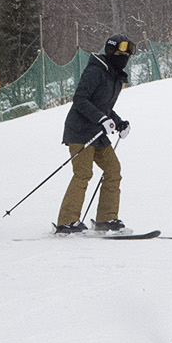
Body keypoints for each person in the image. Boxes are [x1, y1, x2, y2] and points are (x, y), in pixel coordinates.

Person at [54, 34, 135, 235]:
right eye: (120, 53)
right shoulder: (96, 71)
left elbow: (104, 106)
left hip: (97, 133)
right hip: (80, 131)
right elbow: (80, 99)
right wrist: (101, 119)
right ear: (110, 52)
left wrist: (118, 122)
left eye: (127, 54)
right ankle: (67, 222)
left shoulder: (113, 76)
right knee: (83, 173)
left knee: (113, 170)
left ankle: (106, 218)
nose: (124, 57)